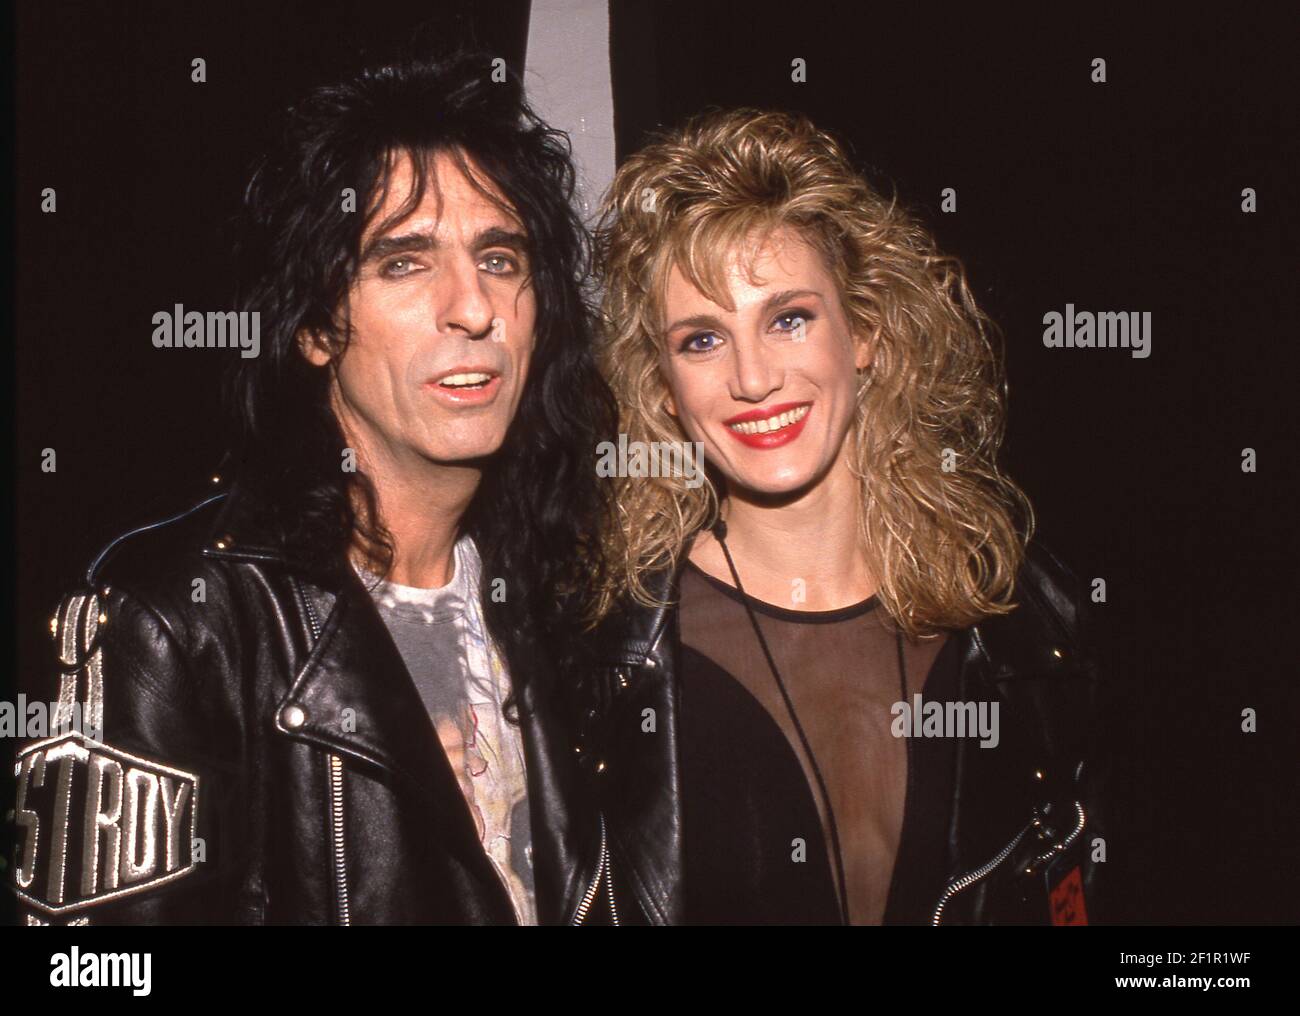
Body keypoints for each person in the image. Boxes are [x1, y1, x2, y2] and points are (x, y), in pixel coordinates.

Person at [10, 49, 620, 925]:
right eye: (404, 263)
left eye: (500, 257)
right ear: (315, 328)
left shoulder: (563, 596)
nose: (474, 307)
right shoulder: (174, 621)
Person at [580, 108, 1111, 925]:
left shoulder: (1024, 627)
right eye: (701, 341)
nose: (754, 379)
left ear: (862, 330)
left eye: (788, 318)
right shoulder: (604, 659)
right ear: (662, 386)